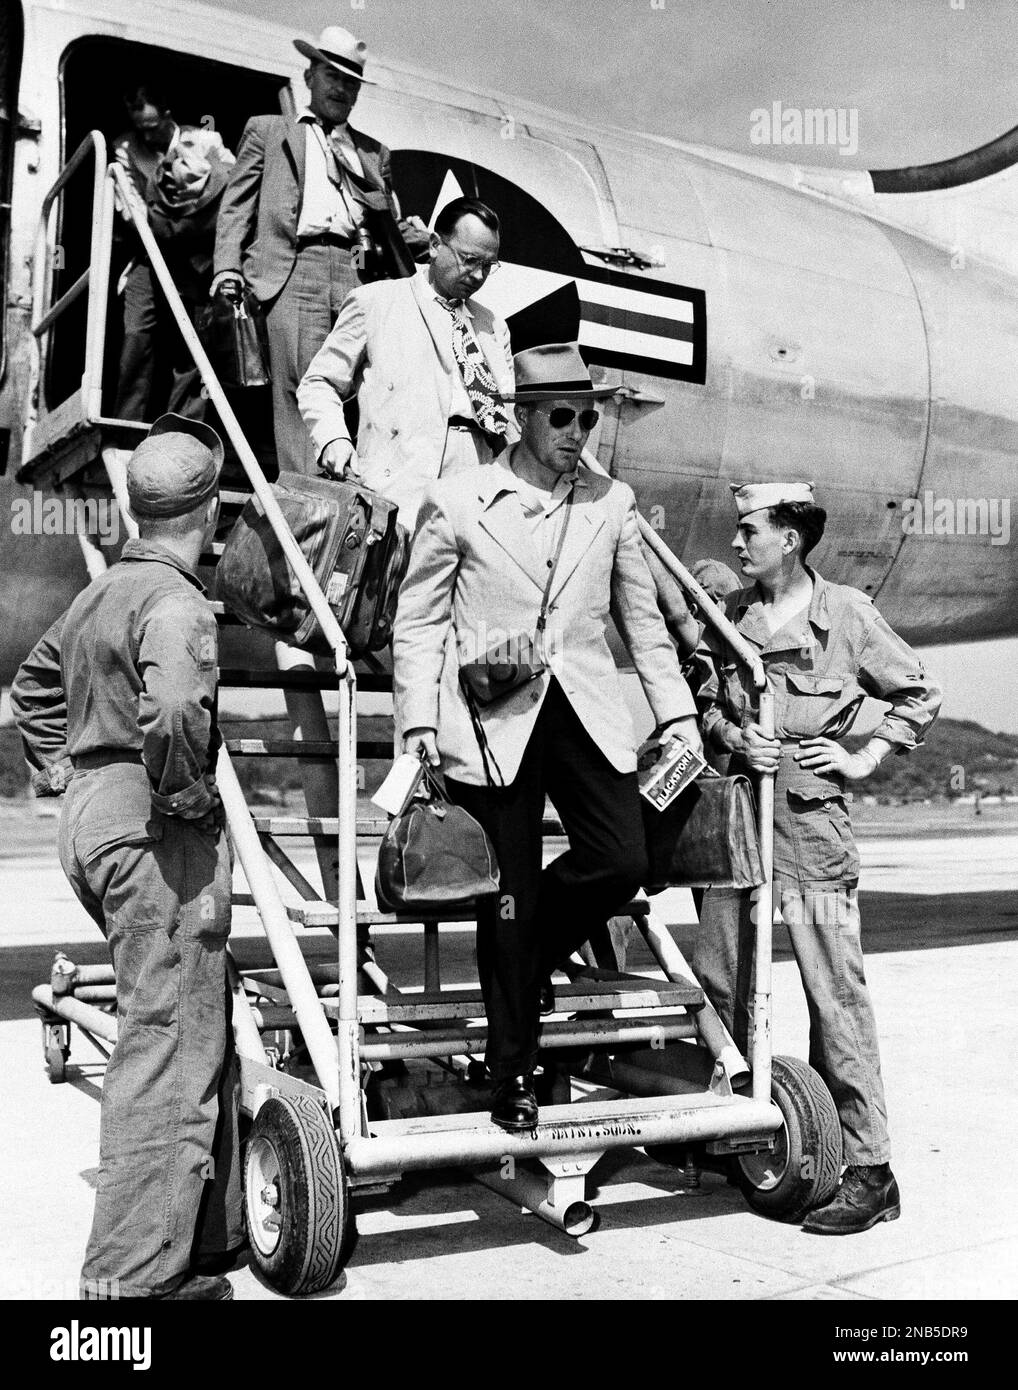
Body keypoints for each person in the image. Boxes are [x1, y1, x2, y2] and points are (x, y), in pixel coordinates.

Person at [392, 343, 702, 1131]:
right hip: (490, 719)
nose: (578, 432)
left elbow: (644, 625)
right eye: (561, 417)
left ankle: (527, 952)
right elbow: (419, 623)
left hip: (586, 707)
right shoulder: (459, 499)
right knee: (506, 895)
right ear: (520, 418)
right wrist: (418, 724)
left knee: (621, 858)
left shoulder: (612, 502)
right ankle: (511, 1073)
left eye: (588, 417)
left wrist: (677, 716)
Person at [10, 416, 241, 1300]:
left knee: (191, 1013)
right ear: (209, 511)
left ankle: (200, 1238)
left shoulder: (100, 592)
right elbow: (178, 708)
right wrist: (183, 796)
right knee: (168, 1038)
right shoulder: (177, 600)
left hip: (92, 815)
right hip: (152, 826)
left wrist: (62, 768)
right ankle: (132, 1282)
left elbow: (35, 679)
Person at [692, 481, 942, 1235]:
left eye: (750, 531)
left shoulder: (848, 616)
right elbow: (704, 702)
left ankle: (870, 1170)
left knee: (834, 993)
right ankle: (744, 1129)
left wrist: (866, 757)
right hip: (738, 816)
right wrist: (736, 738)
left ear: (790, 539)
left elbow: (919, 695)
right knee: (720, 975)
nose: (737, 544)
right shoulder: (729, 616)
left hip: (810, 820)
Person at [212, 24, 428, 474]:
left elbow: (388, 228)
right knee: (300, 390)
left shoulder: (373, 153)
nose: (342, 89)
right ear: (309, 75)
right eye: (333, 77)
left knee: (356, 390)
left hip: (358, 274)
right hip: (295, 269)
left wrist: (428, 238)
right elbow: (236, 208)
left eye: (352, 83)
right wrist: (227, 268)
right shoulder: (269, 131)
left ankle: (348, 495)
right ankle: (306, 504)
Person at [298, 195, 516, 528]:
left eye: (489, 265)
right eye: (469, 260)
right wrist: (333, 438)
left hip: (471, 492)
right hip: (395, 486)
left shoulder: (494, 327)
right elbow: (319, 382)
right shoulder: (376, 302)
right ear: (434, 245)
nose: (478, 275)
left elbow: (509, 419)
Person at [144, 126, 236, 419]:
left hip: (207, 275)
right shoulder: (160, 195)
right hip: (177, 274)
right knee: (176, 354)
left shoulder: (214, 155)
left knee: (195, 358)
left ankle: (186, 426)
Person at [112, 83, 180, 421]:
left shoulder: (205, 143)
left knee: (189, 351)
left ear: (168, 116)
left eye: (152, 127)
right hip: (147, 254)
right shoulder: (124, 148)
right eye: (140, 128)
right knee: (135, 338)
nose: (146, 135)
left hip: (195, 260)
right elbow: (129, 206)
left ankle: (180, 430)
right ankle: (125, 425)